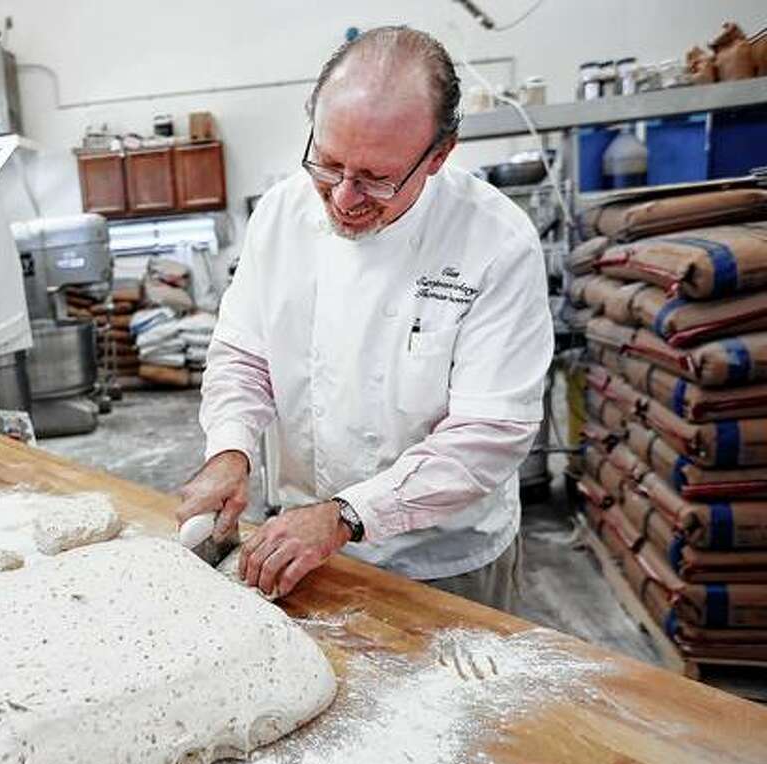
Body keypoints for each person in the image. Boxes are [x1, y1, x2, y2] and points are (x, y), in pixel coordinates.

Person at [175, 25, 553, 611]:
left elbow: (489, 433)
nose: (345, 198)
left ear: (439, 155)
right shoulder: (280, 216)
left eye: (377, 178)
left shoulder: (496, 242)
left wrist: (348, 515)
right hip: (298, 537)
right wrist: (230, 450)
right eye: (327, 165)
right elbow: (245, 356)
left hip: (443, 560)